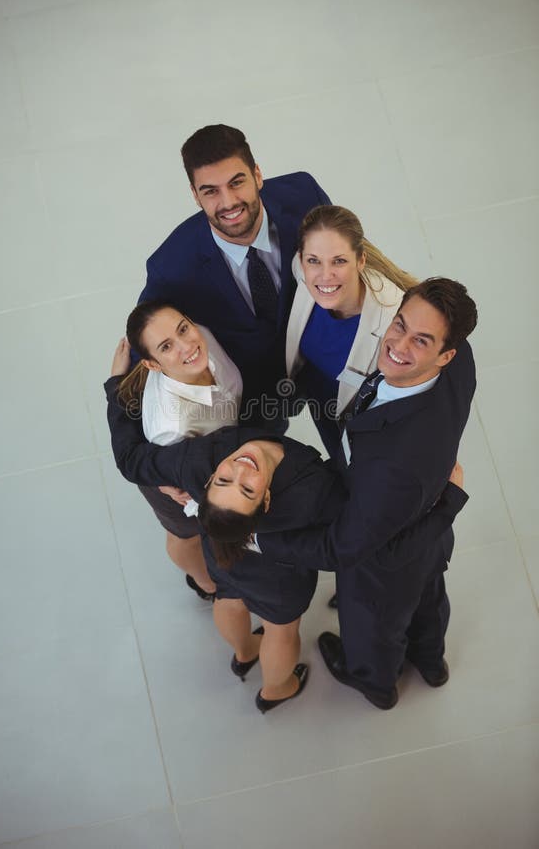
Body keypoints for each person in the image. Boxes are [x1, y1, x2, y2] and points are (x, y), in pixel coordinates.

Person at [105, 349, 467, 712]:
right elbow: (363, 542)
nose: (242, 469)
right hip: (275, 577)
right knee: (280, 630)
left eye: (226, 479)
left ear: (209, 480)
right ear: (264, 502)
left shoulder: (194, 463)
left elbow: (130, 460)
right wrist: (448, 503)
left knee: (228, 598)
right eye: (247, 488)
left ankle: (245, 652)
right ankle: (277, 689)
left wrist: (116, 385)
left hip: (223, 553)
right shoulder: (314, 497)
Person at [259, 277, 478, 710]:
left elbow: (341, 549)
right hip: (429, 531)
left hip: (383, 563)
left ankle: (376, 684)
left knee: (372, 627)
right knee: (429, 595)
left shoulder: (395, 464)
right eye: (400, 324)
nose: (397, 344)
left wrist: (258, 540)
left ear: (445, 354)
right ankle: (431, 661)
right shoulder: (460, 361)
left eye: (421, 340)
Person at [138, 124, 331, 423]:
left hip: (326, 361)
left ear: (257, 175)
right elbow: (145, 348)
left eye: (236, 182)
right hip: (248, 399)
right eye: (210, 191)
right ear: (194, 194)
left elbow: (348, 259)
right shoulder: (172, 267)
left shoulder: (305, 195)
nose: (227, 203)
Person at [112, 300, 242, 601]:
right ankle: (205, 584)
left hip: (220, 445)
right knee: (185, 533)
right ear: (152, 364)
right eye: (167, 347)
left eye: (183, 329)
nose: (187, 346)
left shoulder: (203, 337)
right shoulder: (172, 424)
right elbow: (183, 483)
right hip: (171, 478)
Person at [285, 205, 417, 457]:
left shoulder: (394, 323)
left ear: (361, 260)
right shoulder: (299, 271)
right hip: (321, 403)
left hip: (364, 430)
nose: (325, 276)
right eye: (314, 260)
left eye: (339, 261)